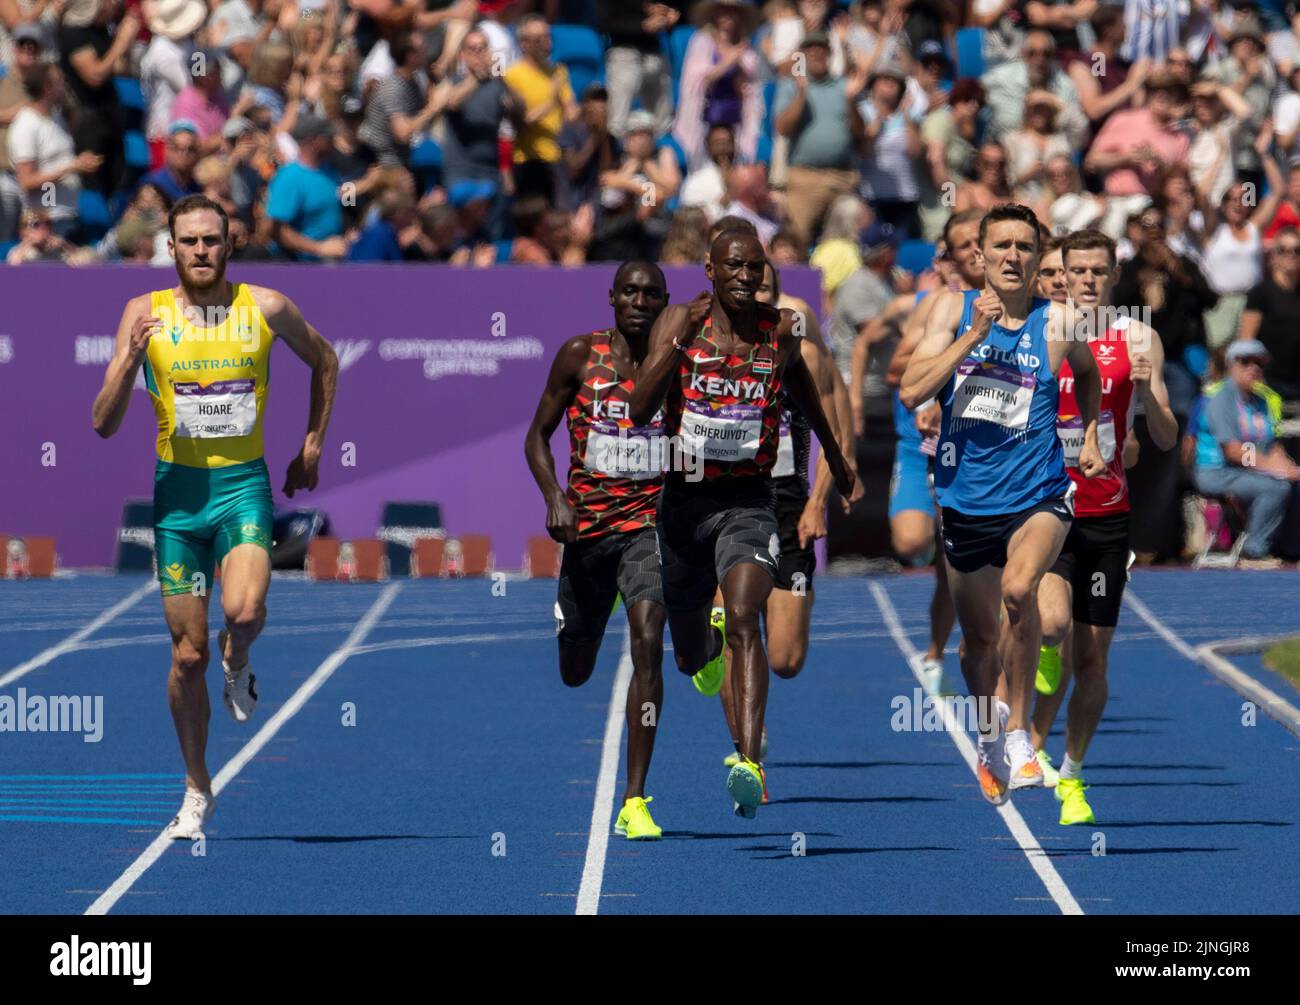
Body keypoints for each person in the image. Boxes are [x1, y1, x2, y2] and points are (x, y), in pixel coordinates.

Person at [90, 194, 339, 839]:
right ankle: (197, 787)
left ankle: (240, 661)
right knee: (186, 656)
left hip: (241, 489)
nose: (201, 251)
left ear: (231, 245)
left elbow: (326, 359)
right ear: (170, 248)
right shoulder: (143, 313)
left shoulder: (266, 307)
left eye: (212, 240)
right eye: (189, 241)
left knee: (247, 613)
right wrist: (126, 362)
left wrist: (312, 444)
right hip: (176, 500)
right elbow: (102, 425)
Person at [630, 227, 855, 817]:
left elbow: (806, 393)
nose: (746, 276)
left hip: (749, 504)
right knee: (686, 655)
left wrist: (835, 459)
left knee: (747, 616)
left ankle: (750, 760)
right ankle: (702, 653)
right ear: (709, 269)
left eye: (754, 267)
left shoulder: (778, 329)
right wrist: (676, 347)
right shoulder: (680, 320)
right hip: (684, 505)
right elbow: (639, 409)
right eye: (733, 266)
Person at [900, 202, 1105, 804]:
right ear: (980, 257)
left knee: (1021, 591)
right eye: (1002, 246)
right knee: (978, 645)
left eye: (1025, 246)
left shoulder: (1062, 322)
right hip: (965, 500)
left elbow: (1089, 376)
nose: (1014, 256)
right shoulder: (949, 309)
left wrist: (1089, 434)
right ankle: (991, 736)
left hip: (1038, 494)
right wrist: (974, 336)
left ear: (1040, 257)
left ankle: (1019, 734)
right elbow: (912, 387)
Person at [1028, 228, 1179, 825]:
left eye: (1098, 271)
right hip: (1046, 508)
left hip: (1108, 517)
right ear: (1061, 274)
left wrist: (1147, 391)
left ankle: (1072, 776)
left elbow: (1164, 439)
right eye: (1076, 271)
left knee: (1092, 663)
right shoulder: (1043, 332)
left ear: (1113, 276)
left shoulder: (1139, 339)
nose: (1086, 281)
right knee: (1053, 622)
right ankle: (1039, 660)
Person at [523, 260, 676, 840]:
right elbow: (536, 434)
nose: (639, 301)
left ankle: (634, 799)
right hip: (587, 533)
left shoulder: (676, 363)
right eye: (630, 292)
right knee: (575, 671)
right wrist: (554, 497)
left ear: (665, 303)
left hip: (648, 528)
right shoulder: (579, 355)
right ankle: (577, 623)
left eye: (651, 294)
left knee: (647, 644)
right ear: (612, 298)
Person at [717, 259, 860, 776]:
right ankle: (746, 752)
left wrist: (820, 501)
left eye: (767, 291)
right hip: (729, 502)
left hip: (789, 504)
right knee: (735, 623)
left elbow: (834, 433)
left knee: (786, 659)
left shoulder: (801, 355)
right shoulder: (710, 353)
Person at [882, 209, 987, 694]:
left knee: (954, 571)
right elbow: (900, 369)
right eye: (961, 245)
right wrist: (932, 396)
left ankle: (934, 656)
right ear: (948, 255)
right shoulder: (937, 305)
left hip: (977, 452)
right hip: (923, 449)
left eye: (977, 242)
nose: (973, 252)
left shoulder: (1022, 307)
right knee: (911, 545)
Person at [1192, 340, 1300, 564]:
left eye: (1259, 363)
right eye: (1245, 361)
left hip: (1248, 471)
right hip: (1217, 472)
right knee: (1274, 487)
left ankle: (1289, 549)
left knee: (1293, 483)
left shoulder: (1261, 401)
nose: (1254, 367)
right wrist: (1274, 468)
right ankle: (1253, 550)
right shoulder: (1221, 399)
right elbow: (1232, 450)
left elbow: (1273, 444)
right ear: (1231, 365)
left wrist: (1289, 468)